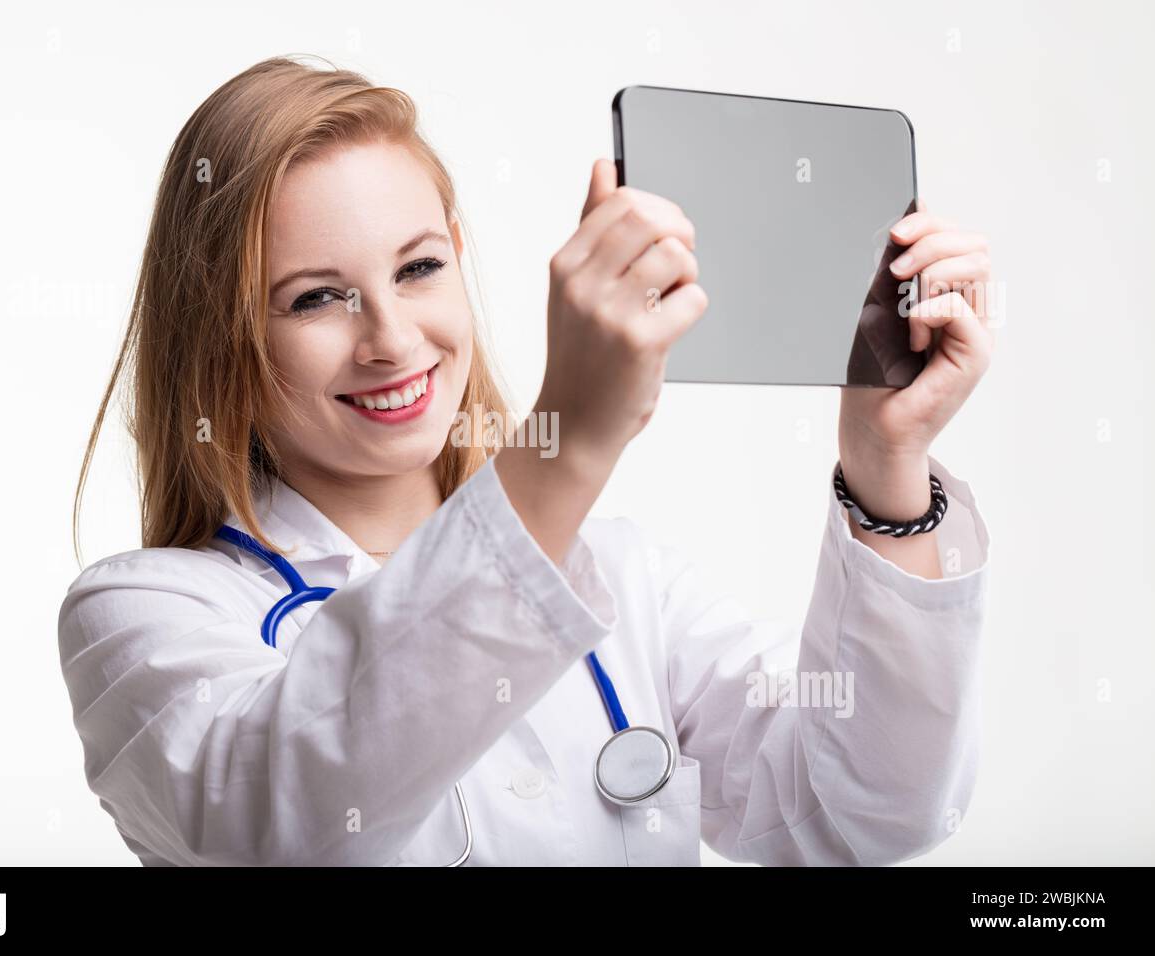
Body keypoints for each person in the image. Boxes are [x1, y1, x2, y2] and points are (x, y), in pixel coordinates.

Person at [58, 55, 995, 866]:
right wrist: (571, 436)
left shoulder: (629, 583)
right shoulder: (145, 616)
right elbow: (279, 827)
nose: (391, 339)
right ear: (221, 337)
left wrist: (886, 462)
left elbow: (859, 815)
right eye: (315, 300)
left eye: (419, 268)